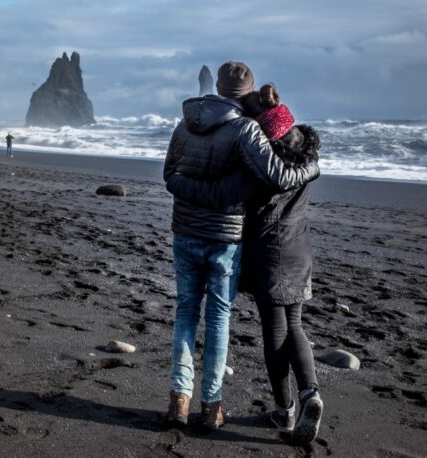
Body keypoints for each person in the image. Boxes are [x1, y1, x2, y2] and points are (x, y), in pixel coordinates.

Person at [162, 61, 319, 431]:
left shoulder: (183, 124)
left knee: (186, 313)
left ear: (216, 86)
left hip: (185, 231)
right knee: (219, 318)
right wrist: (313, 167)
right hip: (227, 238)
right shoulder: (246, 130)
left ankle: (178, 402)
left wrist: (191, 195)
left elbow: (170, 175)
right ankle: (212, 405)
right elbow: (276, 176)